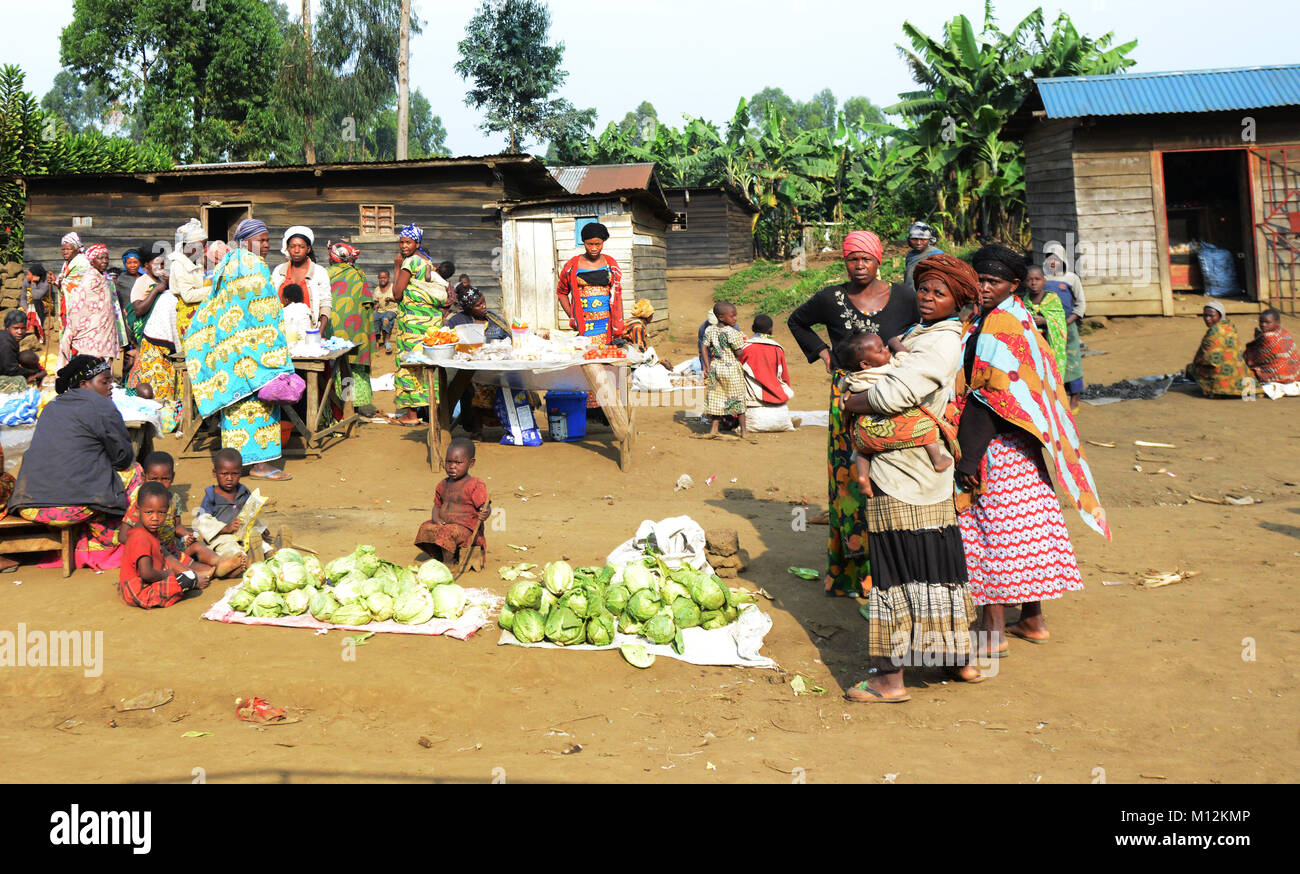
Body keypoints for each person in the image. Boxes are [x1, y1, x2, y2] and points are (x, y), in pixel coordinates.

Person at [840, 253, 983, 701]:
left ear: (958, 301)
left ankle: (889, 679)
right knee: (937, 567)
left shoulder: (939, 342)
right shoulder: (926, 334)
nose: (927, 297)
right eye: (924, 289)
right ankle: (960, 660)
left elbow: (896, 393)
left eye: (940, 293)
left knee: (895, 572)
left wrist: (852, 405)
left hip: (902, 473)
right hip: (925, 477)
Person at [957, 244, 1110, 656]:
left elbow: (988, 397)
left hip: (995, 446)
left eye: (993, 282)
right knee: (1026, 531)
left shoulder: (997, 326)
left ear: (1014, 284)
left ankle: (992, 631)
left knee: (986, 534)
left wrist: (969, 458)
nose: (984, 288)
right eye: (980, 280)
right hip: (1025, 446)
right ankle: (1032, 619)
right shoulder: (1020, 317)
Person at [787, 229, 919, 597]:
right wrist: (823, 353)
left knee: (894, 475)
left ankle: (895, 566)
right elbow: (796, 320)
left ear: (880, 260)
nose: (859, 265)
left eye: (866, 258)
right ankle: (854, 570)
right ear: (844, 261)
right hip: (846, 399)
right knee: (848, 477)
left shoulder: (904, 296)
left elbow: (929, 323)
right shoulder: (831, 298)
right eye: (852, 259)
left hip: (895, 395)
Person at [183, 218, 295, 481]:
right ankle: (261, 465)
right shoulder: (253, 264)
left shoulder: (228, 263)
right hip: (254, 352)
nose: (267, 245)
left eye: (268, 240)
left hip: (231, 350)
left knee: (235, 410)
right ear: (246, 241)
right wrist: (275, 351)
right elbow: (262, 312)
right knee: (261, 408)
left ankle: (234, 464)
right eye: (262, 240)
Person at [7, 356, 136, 555]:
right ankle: (111, 536)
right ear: (84, 384)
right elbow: (123, 458)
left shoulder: (50, 407)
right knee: (135, 471)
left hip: (30, 507)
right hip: (72, 509)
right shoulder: (101, 405)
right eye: (105, 381)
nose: (111, 387)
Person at [838, 332, 953, 495]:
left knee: (861, 449)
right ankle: (937, 459)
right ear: (865, 363)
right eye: (880, 350)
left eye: (885, 346)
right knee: (925, 427)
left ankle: (863, 476)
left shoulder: (853, 377)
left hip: (866, 425)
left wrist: (847, 394)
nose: (886, 350)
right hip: (891, 422)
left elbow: (844, 386)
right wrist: (894, 343)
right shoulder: (888, 368)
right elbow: (906, 359)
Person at [119, 451, 244, 579]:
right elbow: (122, 536)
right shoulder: (142, 502)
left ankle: (219, 563)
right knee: (189, 567)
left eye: (165, 479)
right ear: (144, 477)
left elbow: (177, 525)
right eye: (154, 479)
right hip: (153, 553)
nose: (159, 483)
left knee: (196, 546)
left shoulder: (174, 499)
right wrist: (147, 545)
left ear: (172, 477)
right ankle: (209, 573)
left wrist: (186, 535)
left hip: (171, 547)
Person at [391, 223, 452, 425]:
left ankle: (411, 414)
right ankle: (434, 411)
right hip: (431, 322)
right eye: (401, 242)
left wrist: (396, 266)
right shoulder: (428, 262)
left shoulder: (409, 262)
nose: (403, 246)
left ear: (417, 242)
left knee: (407, 364)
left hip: (412, 324)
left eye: (408, 242)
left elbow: (397, 293)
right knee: (428, 362)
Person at [118, 481, 207, 609]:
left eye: (161, 513)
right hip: (139, 591)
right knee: (188, 580)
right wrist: (171, 574)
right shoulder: (140, 537)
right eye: (149, 512)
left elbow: (163, 557)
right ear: (138, 510)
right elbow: (146, 574)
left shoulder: (148, 531)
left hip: (138, 583)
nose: (155, 518)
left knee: (183, 572)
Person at [414, 437, 491, 570]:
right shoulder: (442, 484)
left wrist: (486, 513)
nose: (452, 466)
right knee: (425, 527)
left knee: (448, 532)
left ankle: (448, 564)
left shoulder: (474, 484)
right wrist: (436, 518)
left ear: (470, 463)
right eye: (449, 462)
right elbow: (437, 505)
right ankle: (439, 556)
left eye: (458, 462)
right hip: (444, 525)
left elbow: (485, 506)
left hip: (466, 529)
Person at [125, 262, 182, 431]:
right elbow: (173, 330)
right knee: (157, 385)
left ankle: (160, 420)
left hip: (161, 342)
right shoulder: (168, 297)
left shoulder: (171, 294)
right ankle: (157, 422)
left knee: (164, 384)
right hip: (157, 342)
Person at [325, 241, 375, 413]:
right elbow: (368, 304)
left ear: (332, 258)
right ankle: (354, 405)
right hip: (357, 330)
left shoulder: (326, 274)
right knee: (354, 366)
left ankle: (338, 407)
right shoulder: (358, 274)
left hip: (333, 330)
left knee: (335, 367)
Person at [57, 241, 121, 369]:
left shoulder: (104, 278)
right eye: (100, 258)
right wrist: (73, 330)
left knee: (105, 367)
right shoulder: (89, 280)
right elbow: (78, 307)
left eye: (106, 258)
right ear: (92, 261)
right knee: (92, 366)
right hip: (91, 331)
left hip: (105, 330)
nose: (104, 261)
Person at [557, 222, 624, 343]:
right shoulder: (572, 265)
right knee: (586, 355)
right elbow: (561, 293)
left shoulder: (610, 263)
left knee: (606, 355)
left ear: (603, 242)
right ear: (584, 242)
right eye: (590, 244)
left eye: (598, 244)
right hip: (583, 324)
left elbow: (617, 294)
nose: (594, 248)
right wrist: (573, 316)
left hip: (606, 324)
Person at [193, 448, 263, 561]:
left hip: (242, 534)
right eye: (224, 474)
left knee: (258, 541)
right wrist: (225, 528)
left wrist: (260, 528)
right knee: (230, 548)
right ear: (215, 473)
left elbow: (251, 513)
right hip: (221, 537)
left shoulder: (244, 492)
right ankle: (244, 561)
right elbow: (202, 521)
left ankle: (269, 552)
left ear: (240, 473)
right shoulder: (212, 495)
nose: (229, 478)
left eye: (234, 474)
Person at [1042, 250, 1087, 411]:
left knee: (1072, 361)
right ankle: (1056, 398)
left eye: (1056, 259)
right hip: (1047, 328)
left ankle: (1074, 398)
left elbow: (1080, 304)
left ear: (1063, 260)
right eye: (1049, 259)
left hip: (1068, 327)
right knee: (1050, 361)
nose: (1052, 263)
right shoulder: (1041, 279)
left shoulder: (1071, 278)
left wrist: (1066, 323)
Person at [269, 226, 332, 335]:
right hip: (281, 332)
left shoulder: (319, 272)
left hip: (309, 331)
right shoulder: (278, 271)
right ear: (287, 249)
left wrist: (319, 332)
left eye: (301, 247)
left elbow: (325, 304)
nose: (296, 250)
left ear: (308, 249)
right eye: (292, 246)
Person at [1185, 299, 1253, 397]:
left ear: (1220, 315)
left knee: (1191, 369)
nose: (1207, 319)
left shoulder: (1213, 332)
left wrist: (1194, 366)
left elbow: (1202, 357)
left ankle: (1213, 389)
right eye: (1205, 315)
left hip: (1221, 379)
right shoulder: (1230, 327)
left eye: (1211, 316)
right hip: (1238, 374)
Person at [702, 301, 748, 437]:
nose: (735, 318)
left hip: (715, 368)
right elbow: (739, 353)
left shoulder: (709, 330)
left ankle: (714, 430)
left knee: (716, 398)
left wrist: (707, 365)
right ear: (721, 317)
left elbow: (703, 347)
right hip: (731, 370)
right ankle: (744, 431)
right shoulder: (733, 333)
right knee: (738, 398)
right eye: (732, 316)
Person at [1021, 264, 1067, 382]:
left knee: (1051, 379)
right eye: (1029, 280)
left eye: (1037, 279)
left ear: (1044, 281)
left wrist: (1046, 321)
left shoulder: (1053, 299)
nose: (1033, 283)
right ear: (1024, 283)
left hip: (1050, 347)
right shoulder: (1023, 303)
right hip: (1032, 349)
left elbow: (1061, 322)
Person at [167, 219, 211, 338]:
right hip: (189, 318)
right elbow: (188, 296)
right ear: (189, 245)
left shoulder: (194, 263)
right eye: (201, 246)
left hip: (198, 315)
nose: (203, 250)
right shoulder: (180, 264)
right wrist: (213, 289)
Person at [1243, 308, 1300, 388]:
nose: (1263, 325)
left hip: (1277, 374)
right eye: (1261, 322)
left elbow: (1259, 357)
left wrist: (1258, 339)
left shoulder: (1268, 337)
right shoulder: (1284, 333)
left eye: (1267, 322)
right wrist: (1260, 338)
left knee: (1246, 370)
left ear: (1277, 323)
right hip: (1294, 373)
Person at [0, 310, 45, 392]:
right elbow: (10, 370)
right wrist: (32, 372)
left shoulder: (8, 338)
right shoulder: (6, 343)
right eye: (16, 328)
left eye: (23, 328)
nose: (20, 332)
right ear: (7, 328)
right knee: (19, 381)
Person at [902, 221, 943, 289]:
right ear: (909, 240)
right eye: (914, 239)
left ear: (929, 240)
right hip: (909, 293)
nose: (918, 243)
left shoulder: (937, 254)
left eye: (923, 239)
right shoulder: (910, 255)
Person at [20, 263, 49, 340]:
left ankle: (32, 327)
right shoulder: (26, 282)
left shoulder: (45, 283)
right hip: (29, 307)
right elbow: (23, 298)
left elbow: (37, 296)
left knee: (35, 301)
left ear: (35, 276)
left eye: (29, 274)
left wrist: (33, 283)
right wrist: (26, 309)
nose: (27, 277)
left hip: (44, 305)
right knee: (18, 313)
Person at [372, 269, 397, 352]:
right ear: (378, 278)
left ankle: (387, 341)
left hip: (392, 310)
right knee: (375, 319)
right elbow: (376, 302)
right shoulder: (377, 290)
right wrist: (375, 306)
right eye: (380, 278)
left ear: (388, 278)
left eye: (384, 278)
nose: (382, 279)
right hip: (380, 311)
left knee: (386, 319)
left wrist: (391, 299)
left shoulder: (393, 287)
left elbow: (399, 299)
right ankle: (377, 340)